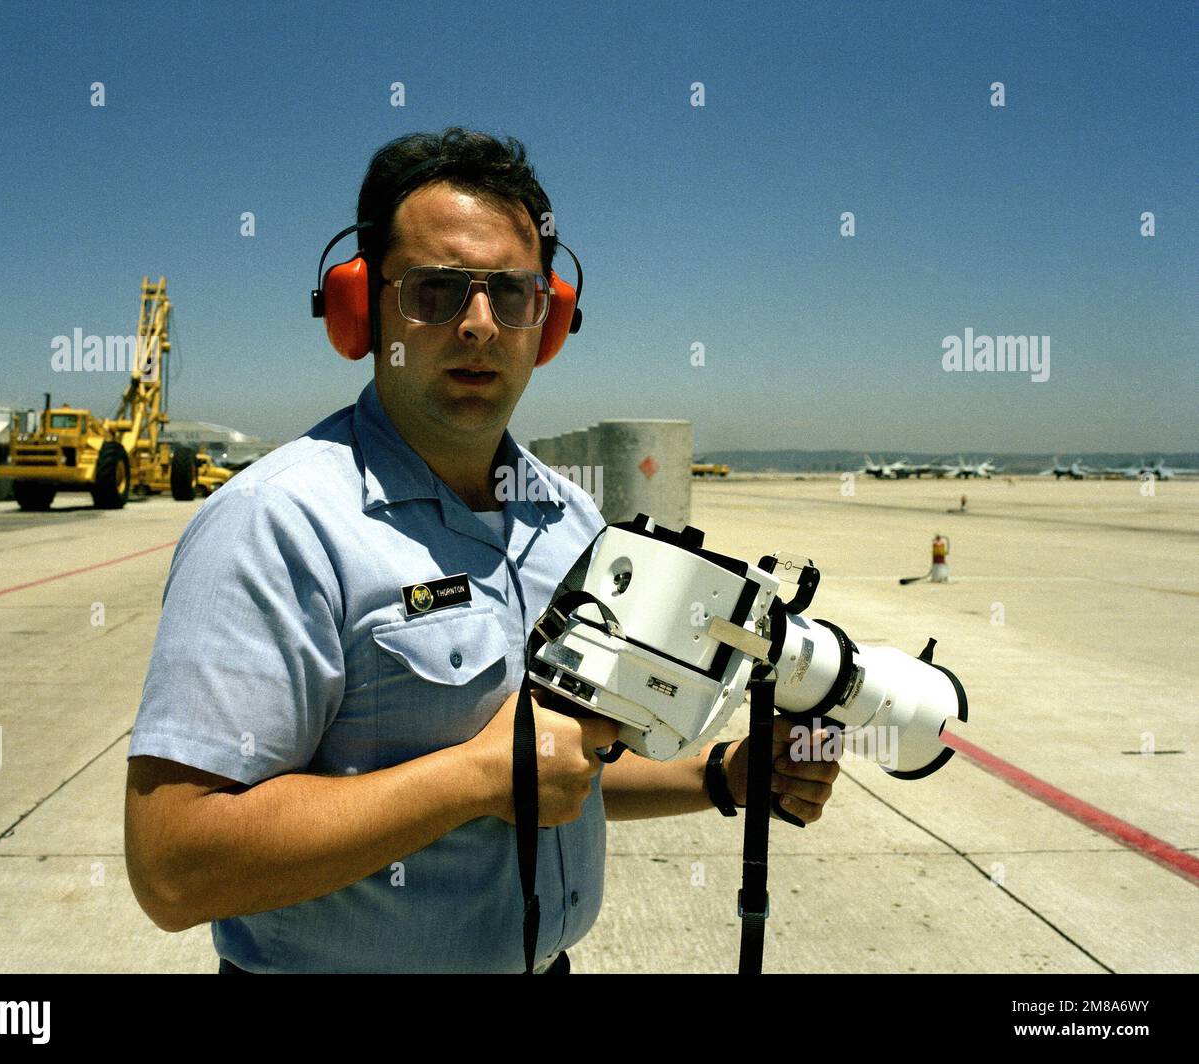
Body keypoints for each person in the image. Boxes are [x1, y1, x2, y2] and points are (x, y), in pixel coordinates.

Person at [123, 127, 839, 974]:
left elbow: (557, 768)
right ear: (362, 310)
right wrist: (469, 778)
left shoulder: (568, 521)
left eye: (511, 294)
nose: (478, 325)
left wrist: (721, 779)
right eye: (434, 292)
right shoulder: (276, 524)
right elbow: (173, 868)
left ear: (551, 319)